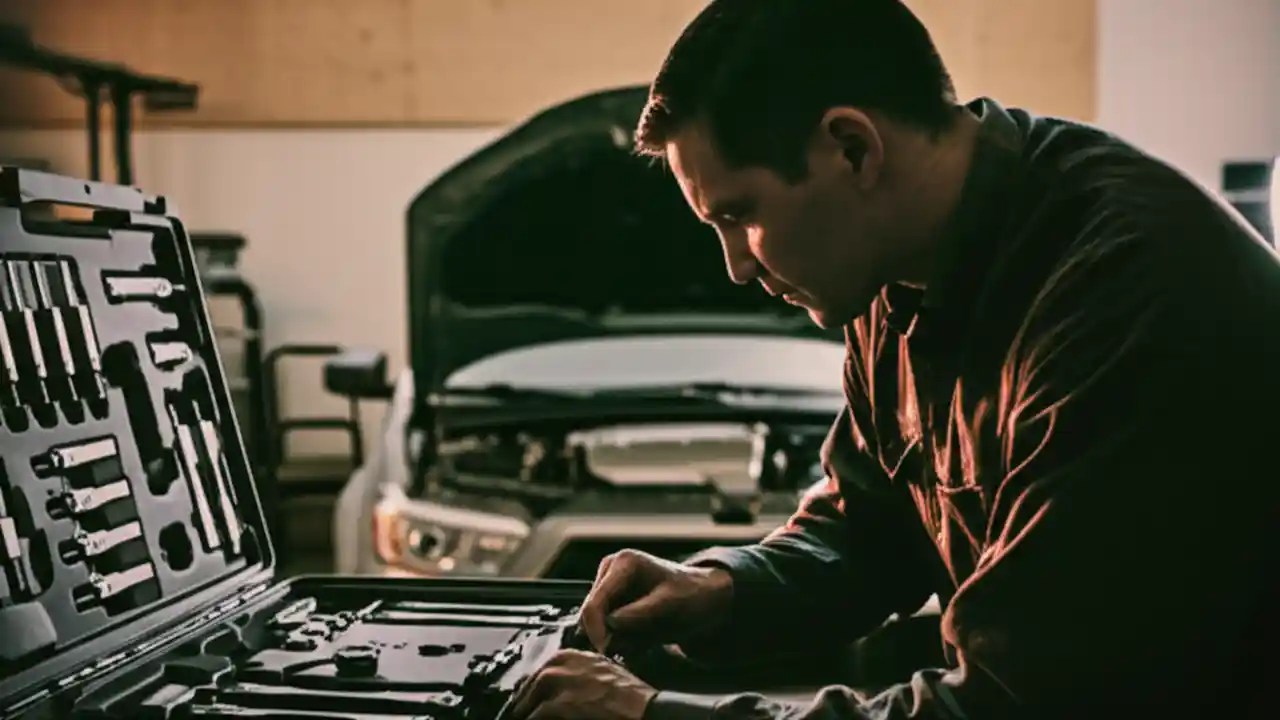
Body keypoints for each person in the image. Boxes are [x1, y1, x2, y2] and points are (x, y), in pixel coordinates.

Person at [504, 1, 1280, 718]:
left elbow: (1010, 704)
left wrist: (652, 716)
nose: (736, 267)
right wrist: (719, 589)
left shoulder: (1129, 296)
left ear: (853, 148)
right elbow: (870, 525)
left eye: (740, 214)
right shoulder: (896, 270)